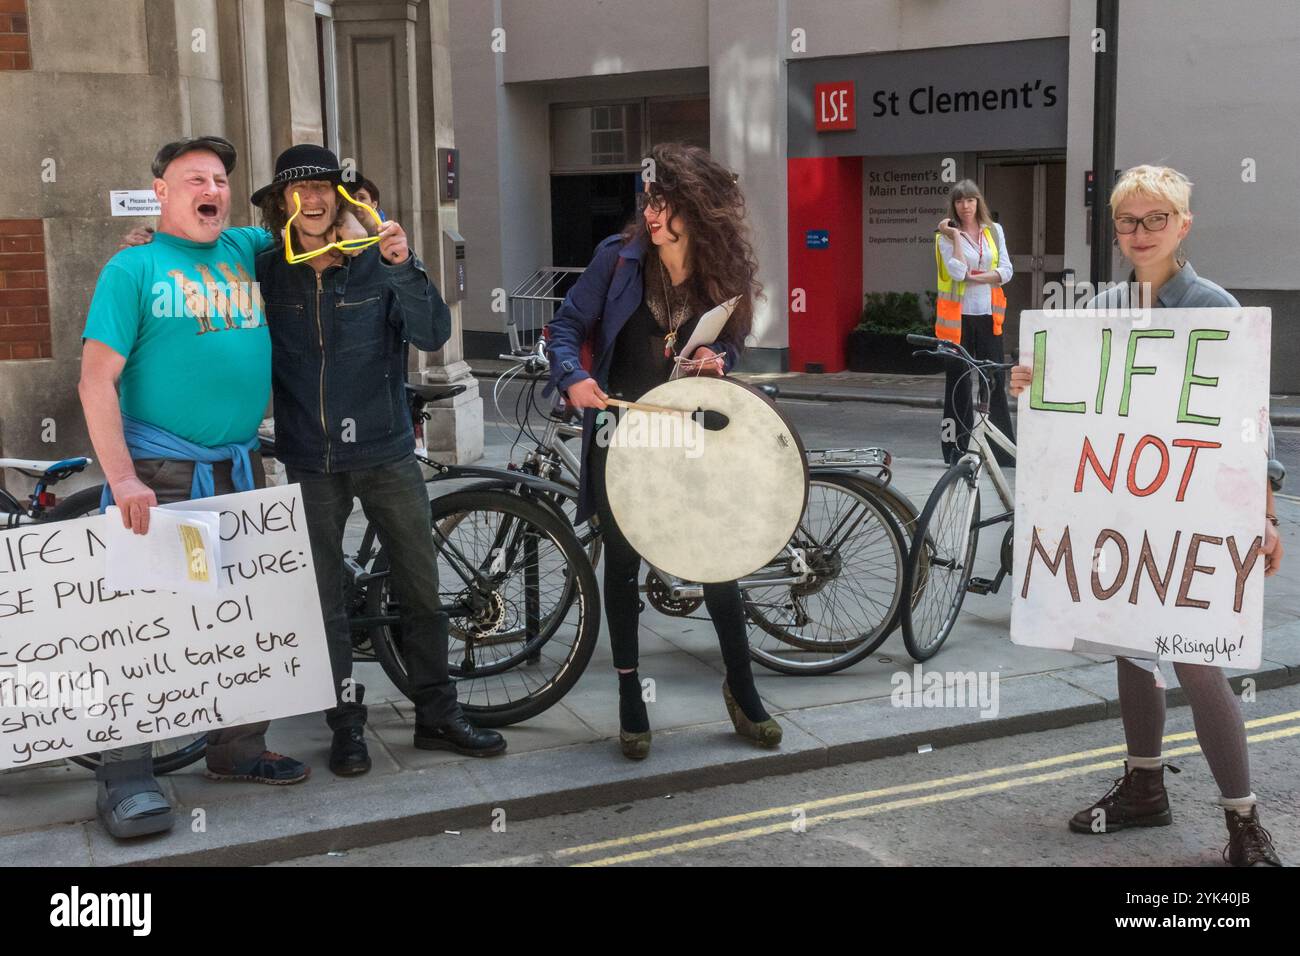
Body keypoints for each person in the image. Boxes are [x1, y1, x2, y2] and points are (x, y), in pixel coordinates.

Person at [1008, 164, 1284, 866]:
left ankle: (1244, 823)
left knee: (1198, 658)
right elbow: (1071, 399)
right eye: (1127, 221)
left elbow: (1253, 427)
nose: (1139, 232)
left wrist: (1266, 513)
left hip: (1195, 512)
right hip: (1121, 505)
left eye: (1154, 219)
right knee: (1128, 643)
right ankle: (1144, 788)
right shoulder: (1098, 305)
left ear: (1182, 225)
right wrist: (1032, 382)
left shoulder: (1216, 309)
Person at [79, 136, 310, 840]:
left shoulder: (247, 248)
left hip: (239, 471)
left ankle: (236, 749)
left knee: (244, 620)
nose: (210, 187)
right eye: (193, 179)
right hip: (163, 477)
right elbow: (95, 381)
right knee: (149, 630)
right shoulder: (133, 267)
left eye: (218, 179)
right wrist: (120, 477)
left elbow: (326, 225)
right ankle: (125, 776)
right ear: (160, 192)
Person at [250, 145, 506, 773]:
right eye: (299, 191)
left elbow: (431, 335)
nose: (313, 200)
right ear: (283, 202)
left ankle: (437, 714)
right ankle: (345, 724)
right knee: (326, 601)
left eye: (324, 190)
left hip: (386, 450)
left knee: (420, 590)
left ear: (343, 199)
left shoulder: (376, 263)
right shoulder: (266, 267)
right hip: (311, 457)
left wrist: (402, 262)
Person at [545, 142, 778, 760]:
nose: (651, 213)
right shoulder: (617, 260)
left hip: (689, 436)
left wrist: (717, 358)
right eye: (648, 199)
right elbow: (565, 326)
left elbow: (731, 342)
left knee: (717, 562)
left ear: (697, 210)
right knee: (621, 566)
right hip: (620, 433)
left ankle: (744, 691)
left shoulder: (719, 268)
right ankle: (630, 700)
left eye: (666, 202)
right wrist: (571, 376)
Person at [934, 180, 1015, 466]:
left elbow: (1006, 271)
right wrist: (955, 236)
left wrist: (977, 277)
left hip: (988, 317)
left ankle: (1002, 450)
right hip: (957, 321)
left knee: (993, 379)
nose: (965, 206)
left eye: (970, 200)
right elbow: (956, 272)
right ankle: (955, 448)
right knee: (956, 383)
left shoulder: (994, 231)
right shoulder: (943, 237)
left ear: (978, 202)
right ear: (953, 205)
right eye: (959, 201)